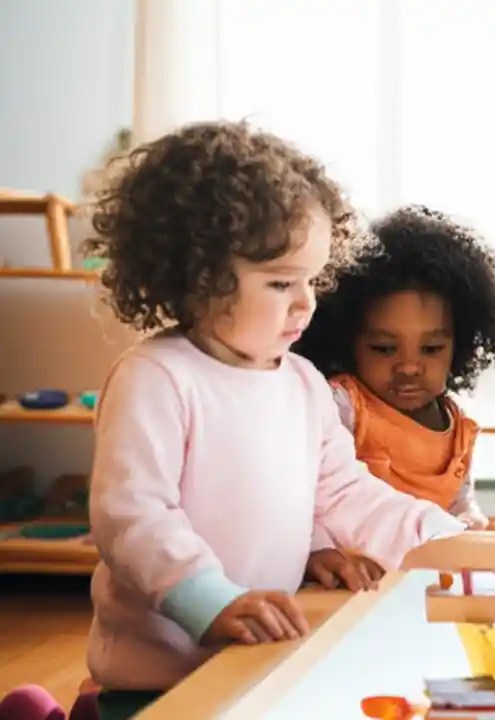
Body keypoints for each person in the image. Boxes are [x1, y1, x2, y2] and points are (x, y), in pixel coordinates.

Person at [79, 121, 466, 719]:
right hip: (155, 683)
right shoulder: (156, 379)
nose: (307, 302)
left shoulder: (302, 385)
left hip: (257, 662)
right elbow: (132, 517)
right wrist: (210, 602)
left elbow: (344, 492)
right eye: (282, 282)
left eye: (312, 279)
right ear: (199, 278)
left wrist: (448, 539)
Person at [294, 204, 495, 540]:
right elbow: (304, 494)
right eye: (384, 349)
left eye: (431, 349)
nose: (409, 367)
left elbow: (459, 503)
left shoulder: (457, 428)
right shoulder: (341, 406)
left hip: (424, 579)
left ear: (459, 345)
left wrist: (469, 520)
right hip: (350, 580)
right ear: (348, 340)